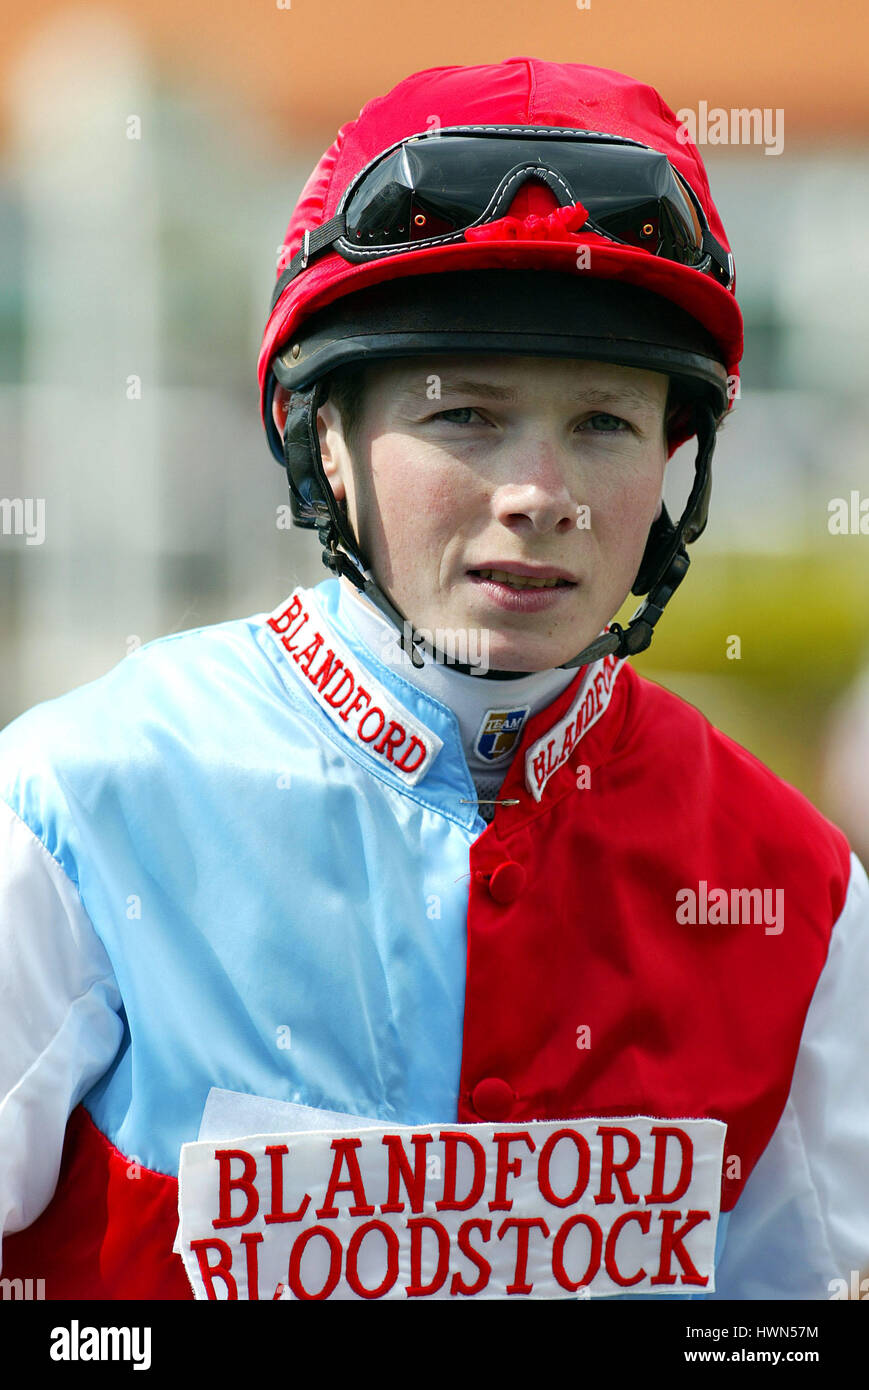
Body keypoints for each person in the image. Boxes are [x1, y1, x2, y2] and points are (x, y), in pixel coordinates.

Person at [0, 55, 867, 1302]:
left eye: (604, 424)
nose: (540, 495)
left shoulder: (792, 886)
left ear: (674, 468)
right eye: (463, 414)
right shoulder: (75, 807)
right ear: (324, 447)